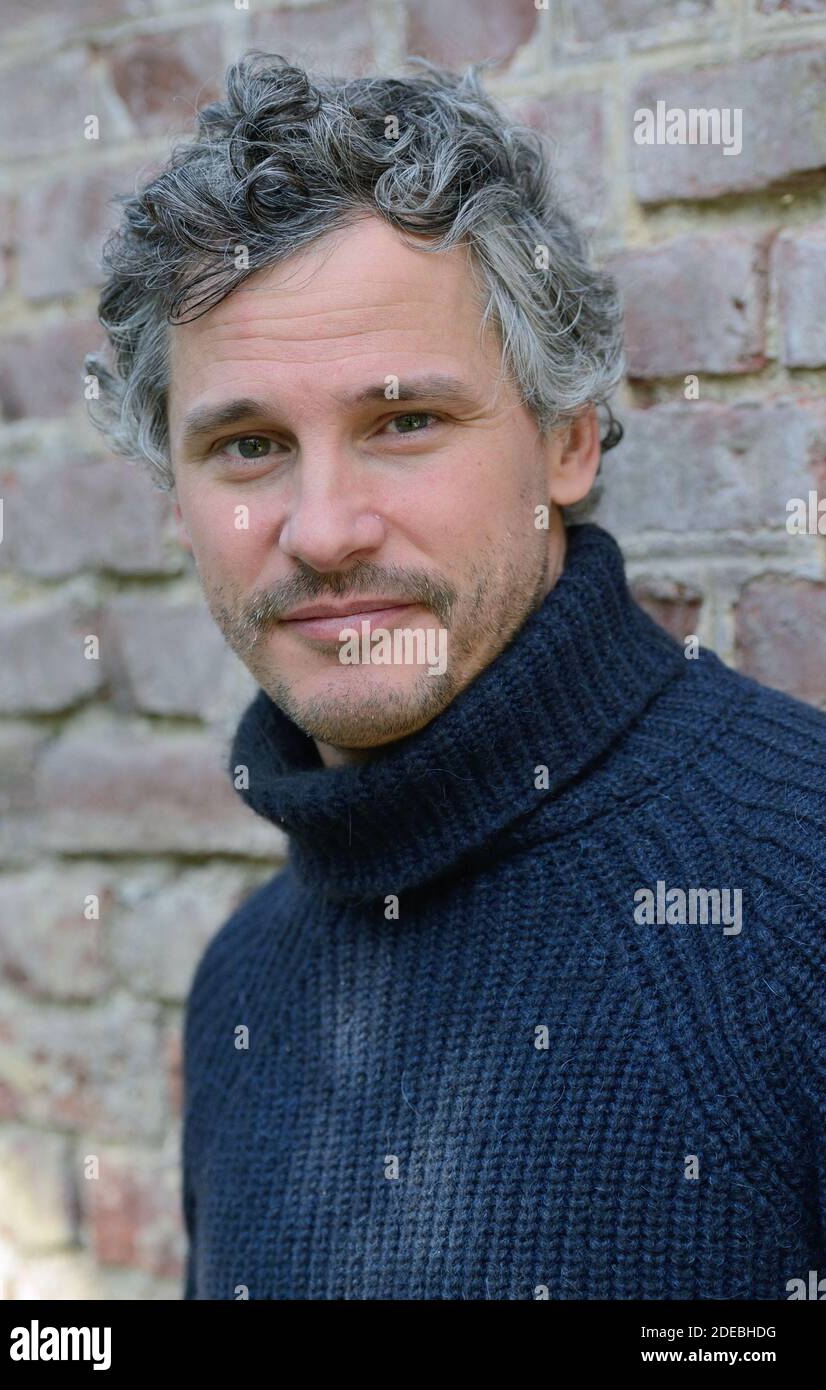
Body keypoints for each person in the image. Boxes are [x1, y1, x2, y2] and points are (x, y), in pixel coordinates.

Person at [85, 52, 826, 1300]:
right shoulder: (241, 985)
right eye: (249, 444)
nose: (323, 529)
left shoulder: (799, 890)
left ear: (567, 438)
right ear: (175, 499)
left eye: (403, 423)